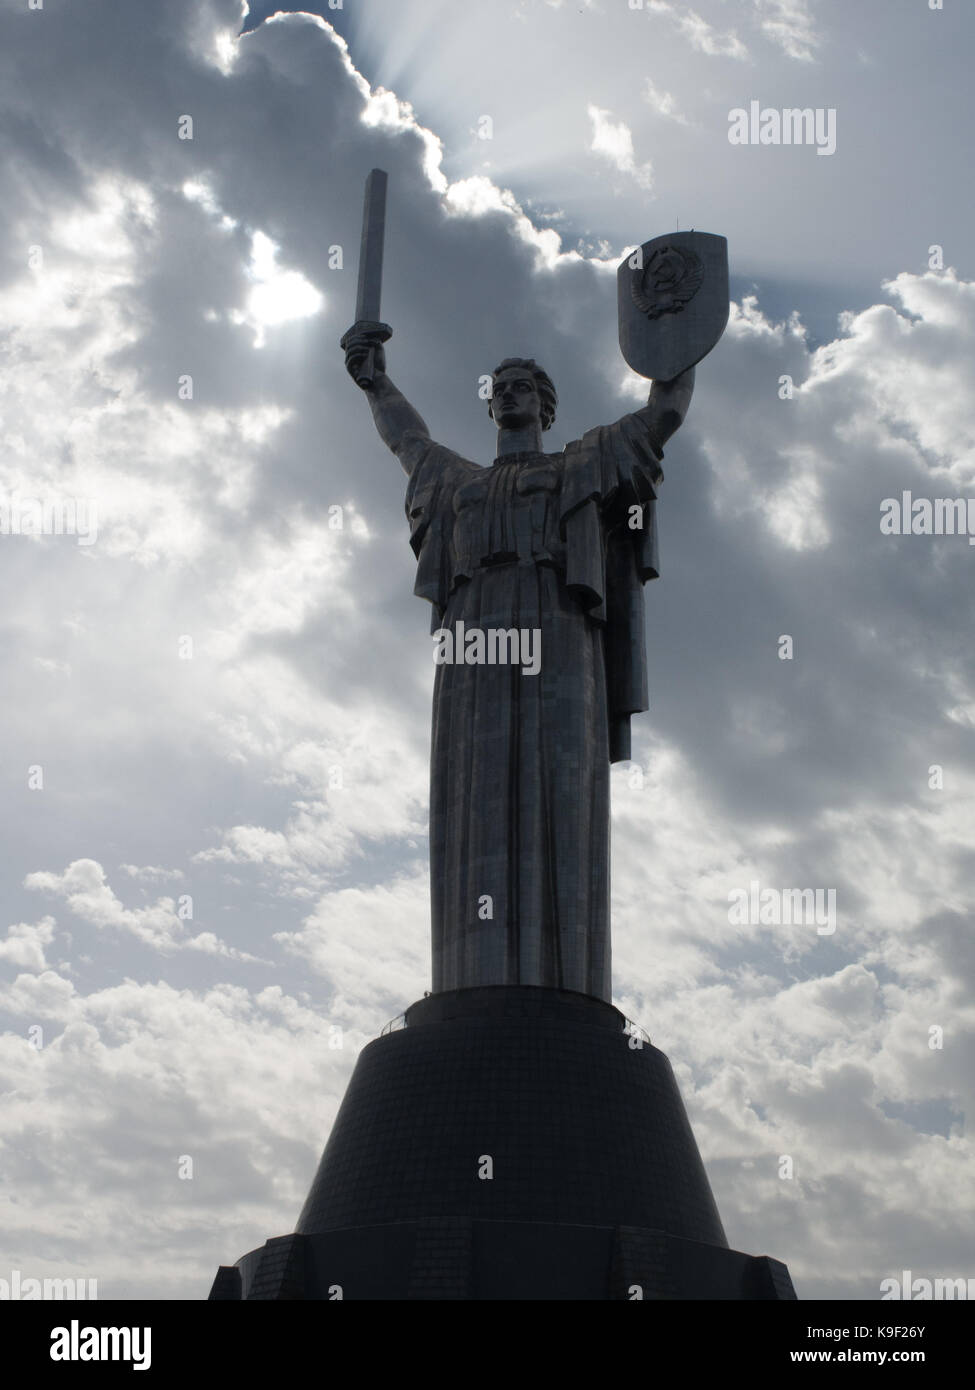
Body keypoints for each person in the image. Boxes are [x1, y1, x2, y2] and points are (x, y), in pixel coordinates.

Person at [343, 326, 694, 1003]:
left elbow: (662, 417)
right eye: (498, 389)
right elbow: (405, 442)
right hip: (472, 632)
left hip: (556, 619)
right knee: (473, 786)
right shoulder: (456, 484)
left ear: (545, 405)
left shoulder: (578, 466)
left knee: (558, 782)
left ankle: (560, 981)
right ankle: (471, 986)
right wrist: (376, 384)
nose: (508, 395)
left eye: (521, 387)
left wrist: (677, 350)